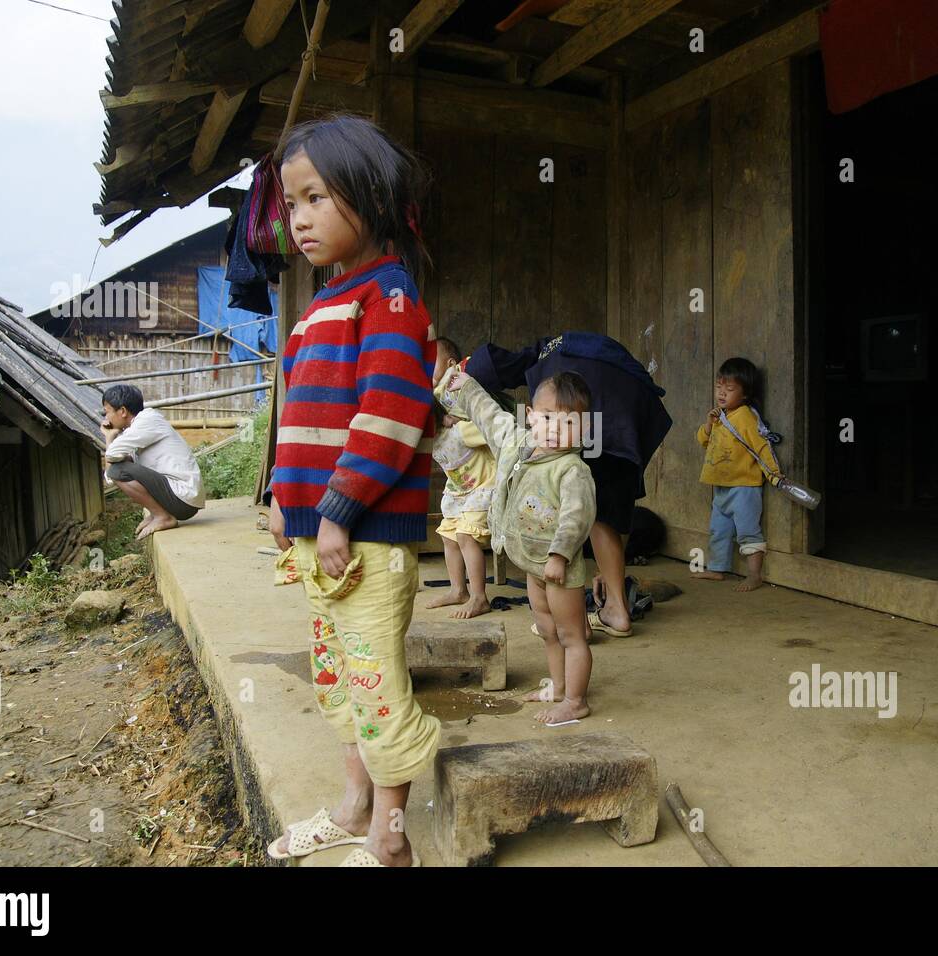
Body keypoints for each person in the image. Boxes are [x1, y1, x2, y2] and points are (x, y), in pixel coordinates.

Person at [263, 115, 439, 867]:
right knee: (337, 678)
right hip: (321, 539)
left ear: (368, 196)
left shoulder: (389, 300)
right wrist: (281, 496)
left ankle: (389, 842)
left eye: (316, 198)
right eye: (291, 202)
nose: (298, 218)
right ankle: (353, 806)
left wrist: (335, 510)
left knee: (374, 683)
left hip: (362, 538)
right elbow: (298, 414)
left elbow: (391, 417)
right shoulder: (316, 312)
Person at [465, 333, 671, 637]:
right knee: (608, 507)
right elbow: (616, 510)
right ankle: (617, 609)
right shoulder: (577, 346)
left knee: (569, 502)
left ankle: (575, 623)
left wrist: (462, 379)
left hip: (602, 410)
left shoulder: (547, 365)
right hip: (634, 406)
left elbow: (487, 370)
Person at [445, 364, 597, 724]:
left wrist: (559, 555)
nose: (556, 429)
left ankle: (575, 701)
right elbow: (490, 417)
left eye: (569, 422)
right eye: (547, 417)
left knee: (570, 634)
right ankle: (557, 688)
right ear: (530, 417)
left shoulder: (572, 470)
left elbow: (577, 517)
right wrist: (465, 387)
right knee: (546, 630)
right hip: (531, 564)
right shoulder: (519, 447)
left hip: (558, 568)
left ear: (585, 428)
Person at [693, 357, 782, 592]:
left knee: (748, 531)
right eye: (719, 387)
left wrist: (773, 473)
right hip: (721, 486)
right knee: (718, 530)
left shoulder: (744, 416)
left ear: (744, 394)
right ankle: (717, 568)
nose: (722, 393)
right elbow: (703, 441)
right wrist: (710, 424)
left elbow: (761, 447)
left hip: (744, 487)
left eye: (729, 389)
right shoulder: (720, 416)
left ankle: (755, 575)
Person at [427, 337, 498, 618]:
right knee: (448, 536)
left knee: (465, 535)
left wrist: (460, 418)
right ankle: (459, 590)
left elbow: (493, 429)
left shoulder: (461, 428)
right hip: (458, 489)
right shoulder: (432, 435)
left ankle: (480, 596)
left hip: (484, 485)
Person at [100, 384, 204, 539]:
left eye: (107, 412)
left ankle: (162, 516)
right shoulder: (138, 427)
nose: (106, 418)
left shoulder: (146, 422)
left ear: (122, 411)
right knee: (120, 468)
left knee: (117, 470)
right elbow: (114, 469)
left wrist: (109, 437)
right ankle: (158, 513)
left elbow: (111, 464)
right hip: (181, 499)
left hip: (183, 498)